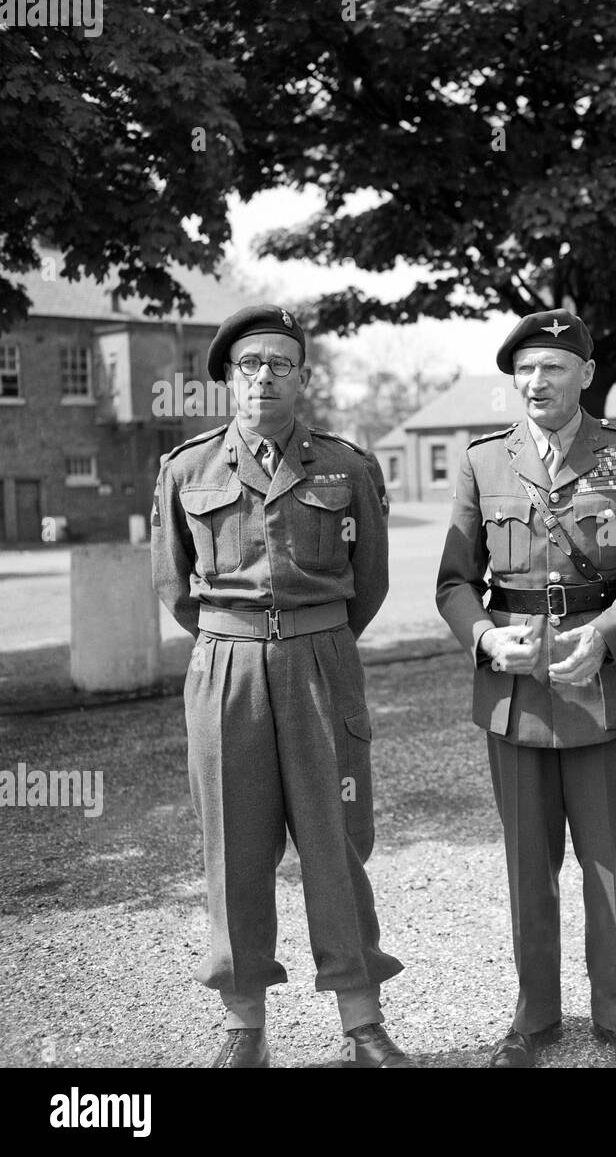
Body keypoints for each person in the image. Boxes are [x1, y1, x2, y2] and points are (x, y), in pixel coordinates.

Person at [151, 304, 409, 1068]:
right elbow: (174, 586)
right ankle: (244, 1030)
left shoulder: (346, 465)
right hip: (225, 670)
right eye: (250, 364)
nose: (265, 376)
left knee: (336, 843)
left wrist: (310, 643)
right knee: (232, 847)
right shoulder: (187, 468)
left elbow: (370, 584)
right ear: (232, 378)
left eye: (281, 364)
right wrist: (236, 645)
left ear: (304, 377)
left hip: (320, 664)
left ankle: (363, 1024)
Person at [436, 308, 616, 1069]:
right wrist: (482, 635)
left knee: (608, 861)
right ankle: (535, 1015)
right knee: (527, 863)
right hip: (516, 687)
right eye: (524, 370)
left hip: (599, 682)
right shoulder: (484, 461)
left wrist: (607, 637)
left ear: (585, 375)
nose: (535, 382)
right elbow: (453, 582)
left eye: (551, 368)